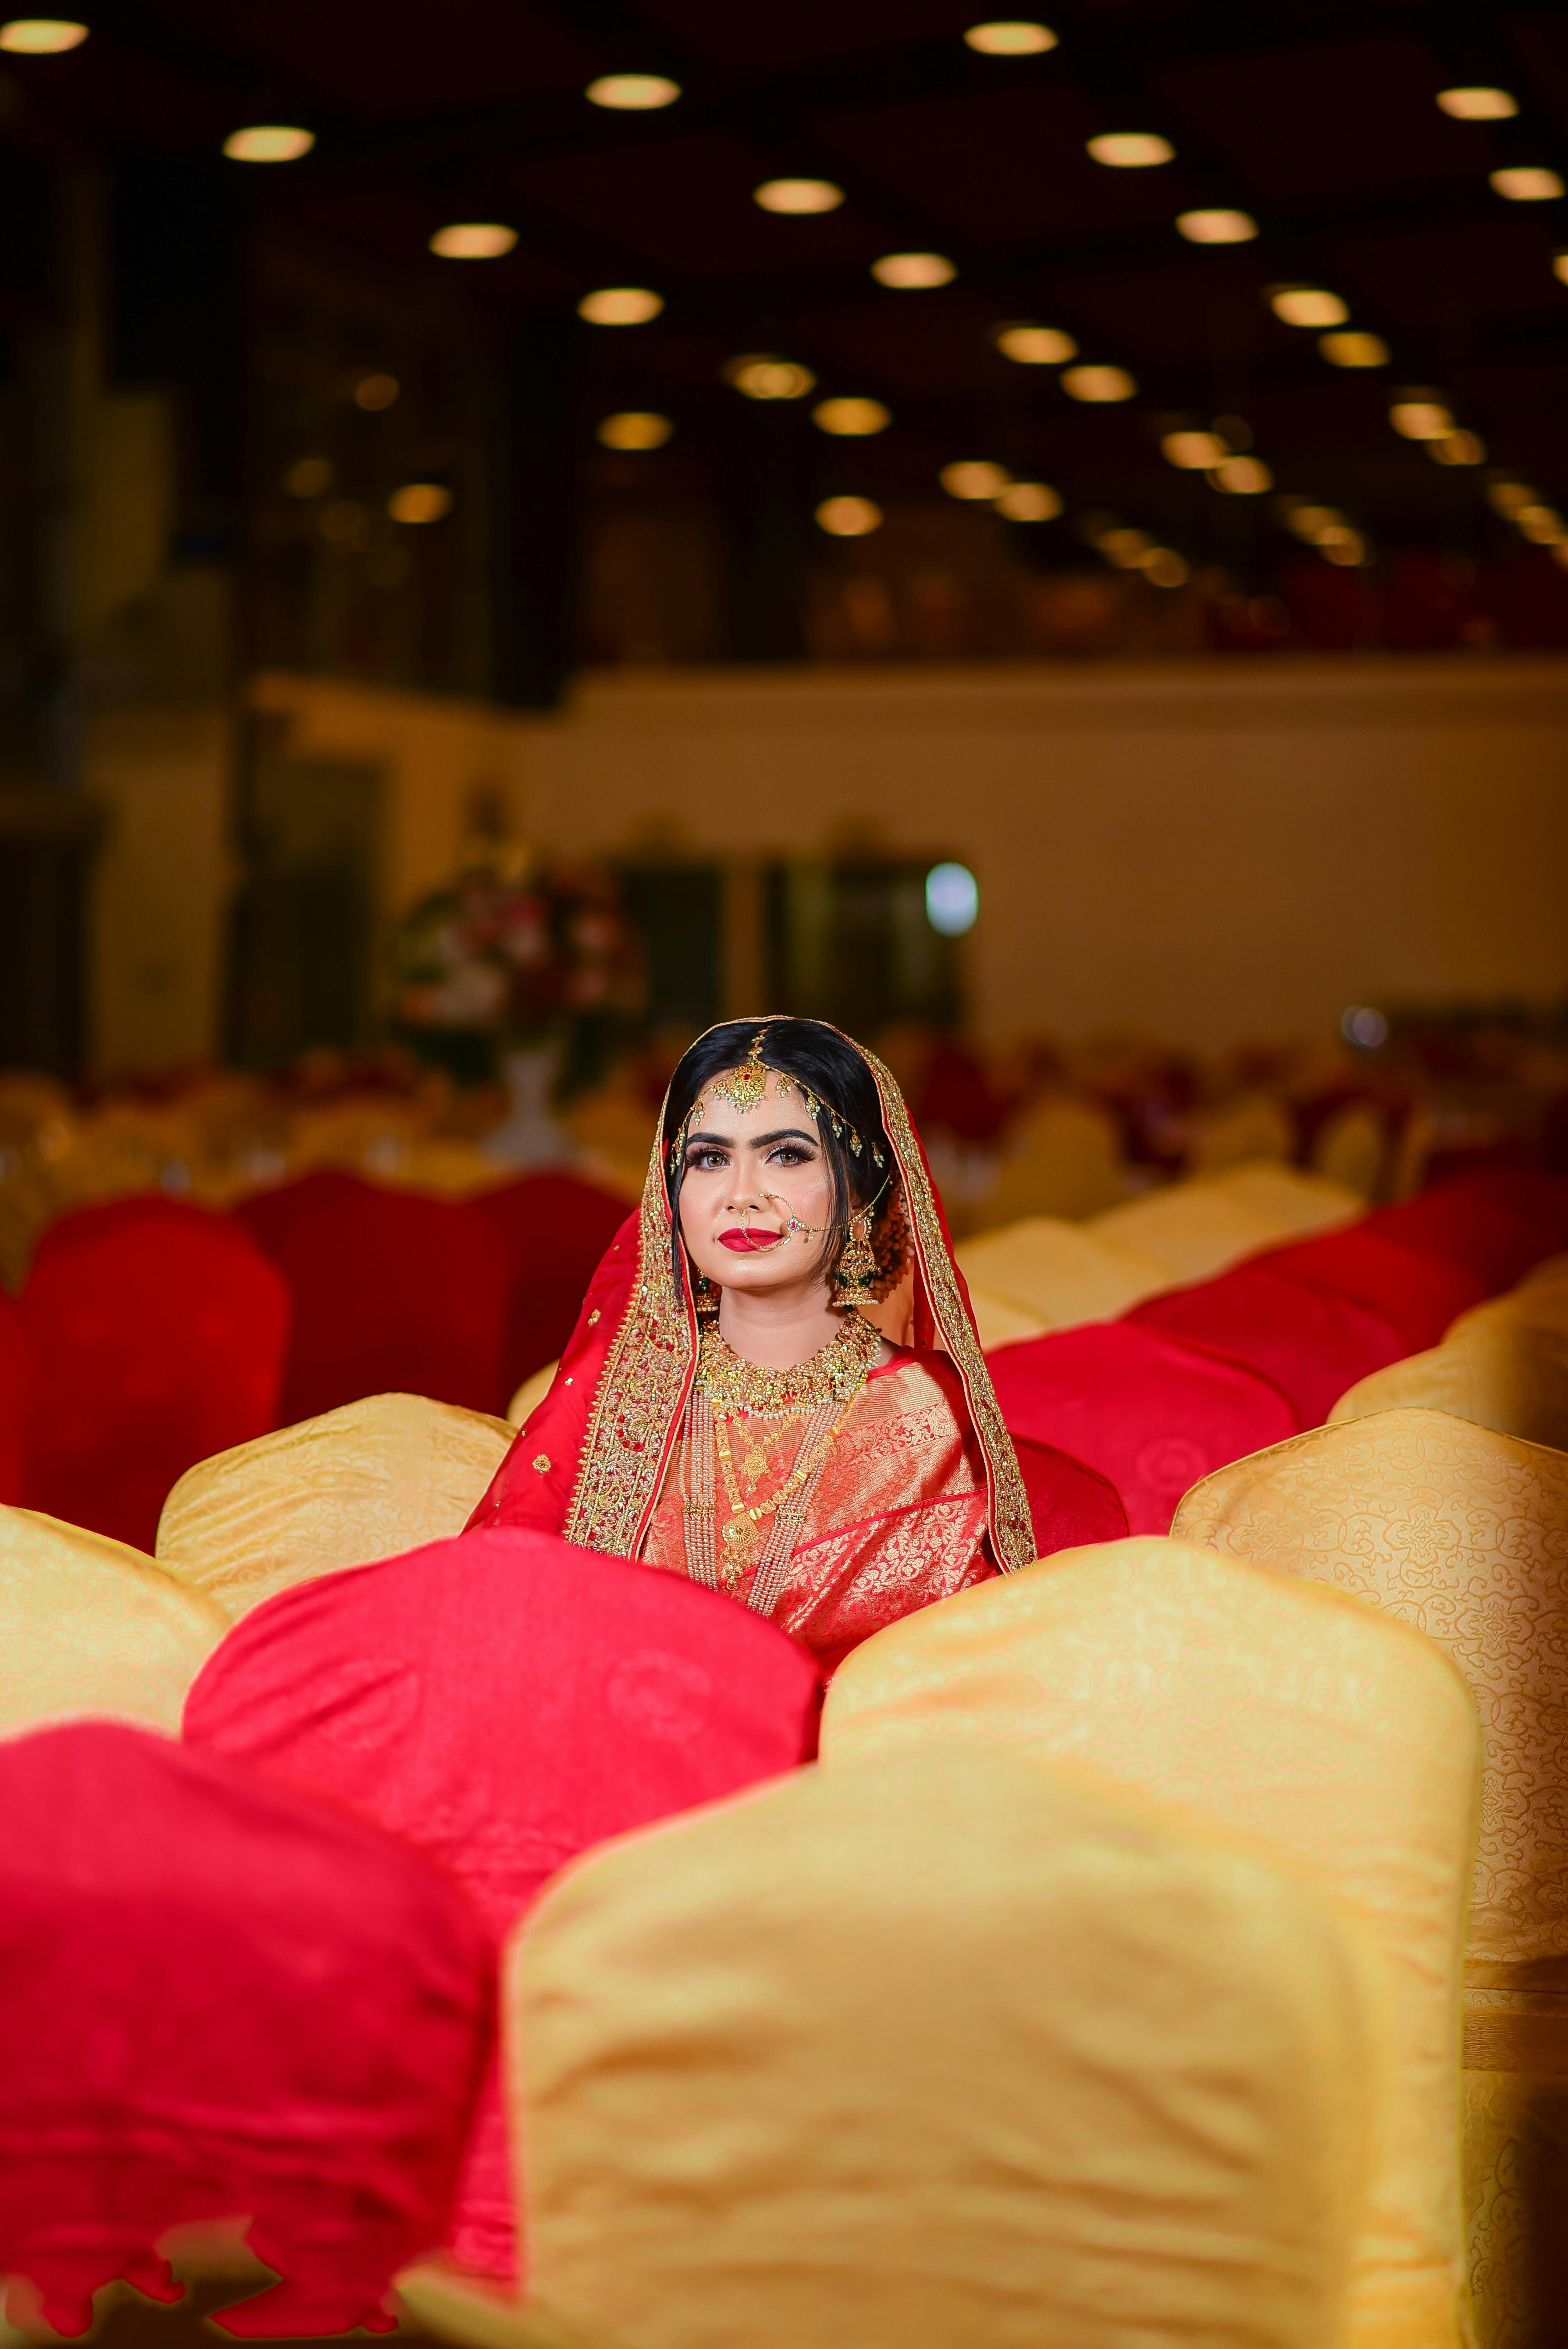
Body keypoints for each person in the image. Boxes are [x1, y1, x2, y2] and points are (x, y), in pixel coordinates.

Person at [468, 1017, 1039, 1671]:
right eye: (710, 1158)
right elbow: (507, 1624)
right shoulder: (611, 1406)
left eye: (787, 1155)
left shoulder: (928, 1426)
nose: (742, 1197)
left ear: (863, 1191)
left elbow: (956, 1685)